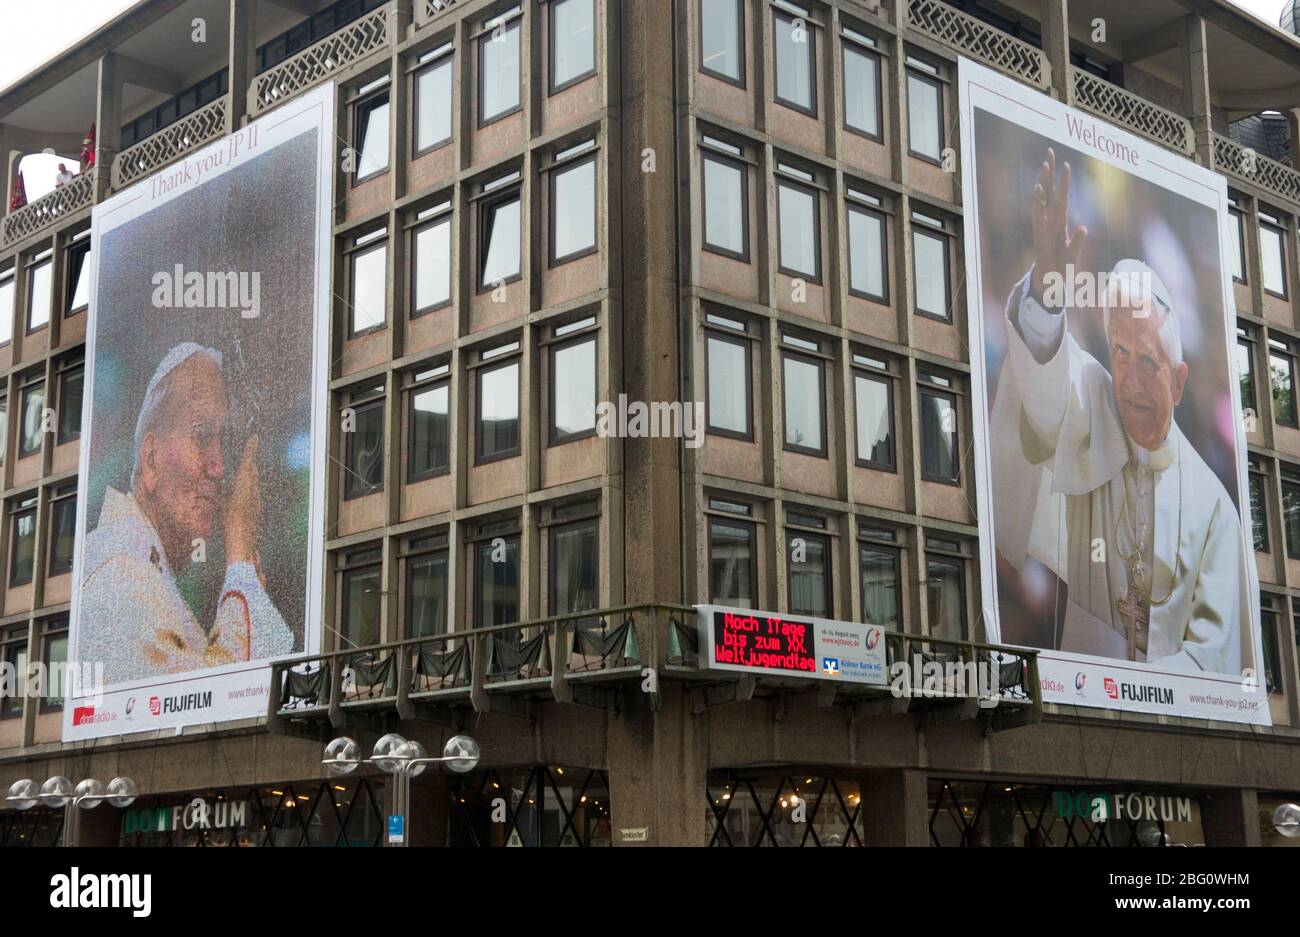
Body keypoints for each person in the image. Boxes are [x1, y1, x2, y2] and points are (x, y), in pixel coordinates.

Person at [991, 147, 1252, 674]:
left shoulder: (1214, 511)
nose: (1129, 379)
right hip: (1083, 698)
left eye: (1149, 362)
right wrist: (1046, 291)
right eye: (1121, 354)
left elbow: (1215, 659)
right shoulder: (1094, 404)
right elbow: (1044, 389)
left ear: (1179, 382)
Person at [78, 343, 292, 684]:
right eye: (202, 436)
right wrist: (239, 559)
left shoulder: (139, 572)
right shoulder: (120, 581)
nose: (219, 468)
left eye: (222, 442)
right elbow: (222, 705)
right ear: (150, 459)